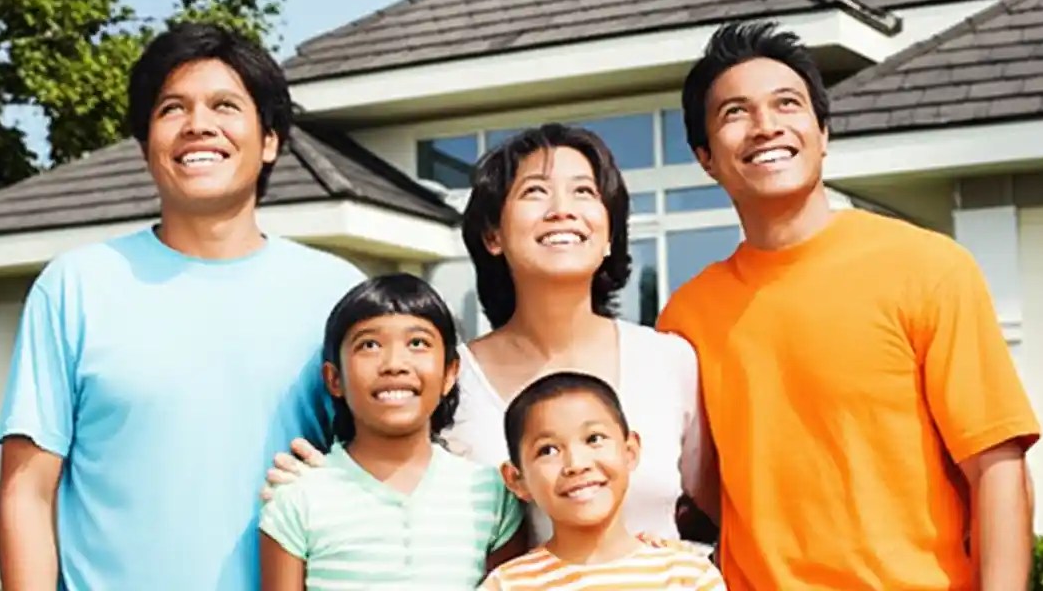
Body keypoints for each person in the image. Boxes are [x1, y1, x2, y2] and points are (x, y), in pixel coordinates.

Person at [657, 20, 1041, 590]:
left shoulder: (927, 267)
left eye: (787, 104)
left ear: (822, 132)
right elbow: (707, 488)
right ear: (705, 157)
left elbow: (998, 469)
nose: (766, 126)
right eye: (735, 113)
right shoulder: (684, 318)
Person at [0, 22, 364, 590]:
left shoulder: (337, 293)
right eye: (172, 109)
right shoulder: (76, 287)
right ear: (146, 144)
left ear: (270, 140)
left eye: (225, 106)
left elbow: (383, 469)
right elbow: (26, 490)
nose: (198, 126)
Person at [264, 124, 716, 547]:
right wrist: (316, 484)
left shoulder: (669, 361)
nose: (562, 209)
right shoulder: (446, 381)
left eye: (584, 191)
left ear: (610, 235)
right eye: (535, 192)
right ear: (493, 235)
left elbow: (717, 511)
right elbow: (382, 488)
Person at [259, 273, 524, 589]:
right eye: (369, 345)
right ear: (334, 379)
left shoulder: (491, 494)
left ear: (450, 372)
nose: (394, 364)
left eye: (418, 343)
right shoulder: (298, 498)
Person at [480, 371, 726, 590]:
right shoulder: (508, 585)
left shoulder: (687, 575)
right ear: (516, 479)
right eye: (548, 450)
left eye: (594, 438)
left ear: (630, 451)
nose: (576, 464)